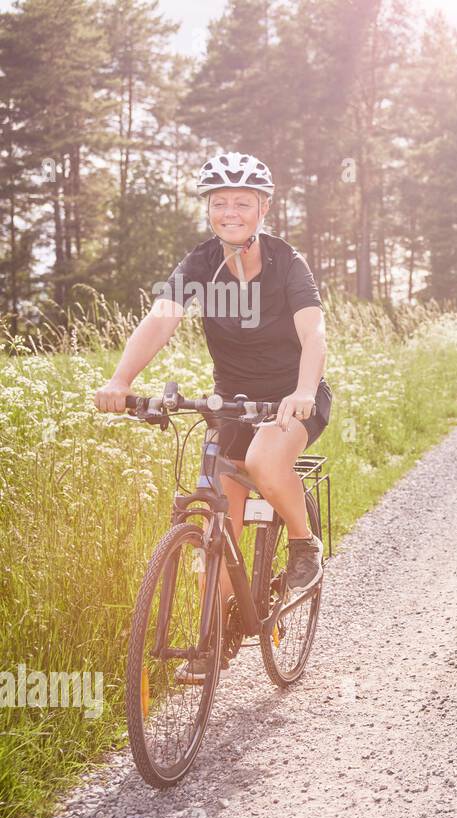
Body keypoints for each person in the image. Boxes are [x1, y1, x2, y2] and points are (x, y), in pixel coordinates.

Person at [94, 151, 330, 680]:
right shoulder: (201, 264)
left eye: (242, 202)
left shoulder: (287, 262)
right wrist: (120, 381)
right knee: (218, 517)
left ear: (262, 208)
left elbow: (313, 333)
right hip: (231, 403)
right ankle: (216, 634)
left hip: (291, 397)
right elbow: (160, 321)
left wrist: (303, 390)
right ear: (208, 210)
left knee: (268, 463)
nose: (230, 211)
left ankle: (301, 542)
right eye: (219, 202)